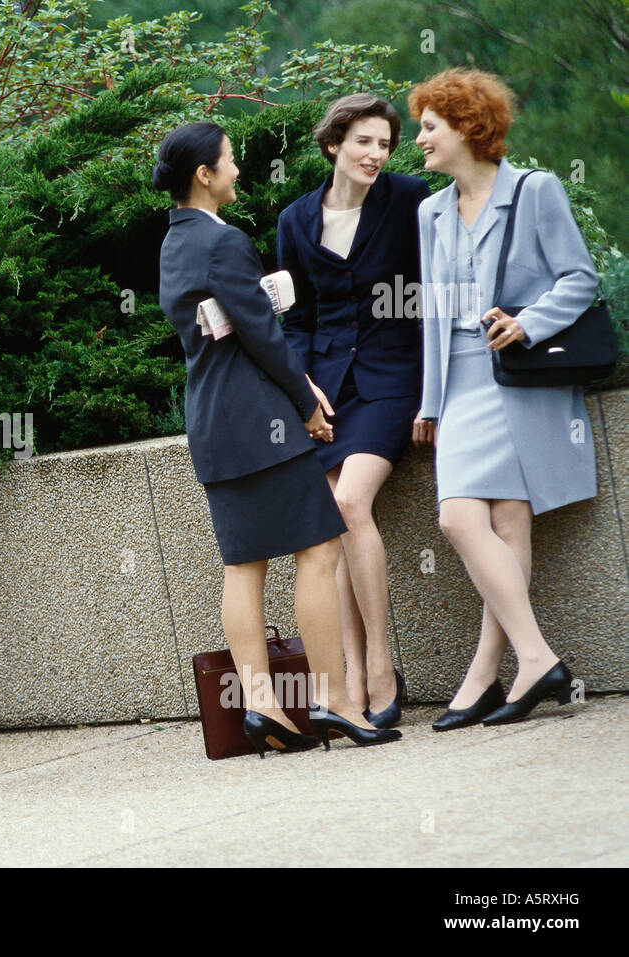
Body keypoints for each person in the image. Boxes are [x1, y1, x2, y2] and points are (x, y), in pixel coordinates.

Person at [154, 123, 401, 755]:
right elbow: (263, 335)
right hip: (258, 421)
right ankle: (335, 700)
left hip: (212, 422)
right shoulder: (225, 241)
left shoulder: (173, 244)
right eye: (230, 162)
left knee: (244, 564)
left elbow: (226, 329)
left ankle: (261, 705)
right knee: (320, 551)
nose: (237, 171)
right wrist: (306, 402)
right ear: (204, 175)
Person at [409, 68, 595, 728]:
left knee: (506, 523)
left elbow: (580, 278)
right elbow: (433, 316)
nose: (419, 140)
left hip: (516, 378)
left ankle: (490, 675)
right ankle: (537, 657)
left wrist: (530, 321)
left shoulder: (535, 191)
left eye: (429, 126)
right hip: (459, 382)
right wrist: (430, 401)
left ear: (466, 125)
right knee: (461, 517)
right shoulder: (430, 212)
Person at [276, 94, 430, 728]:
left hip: (394, 378)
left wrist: (437, 392)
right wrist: (301, 384)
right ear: (334, 143)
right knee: (330, 529)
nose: (376, 155)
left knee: (346, 505)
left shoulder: (409, 198)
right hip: (329, 390)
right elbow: (297, 318)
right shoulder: (294, 219)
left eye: (385, 145)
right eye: (364, 142)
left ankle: (379, 666)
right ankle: (346, 671)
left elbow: (436, 289)